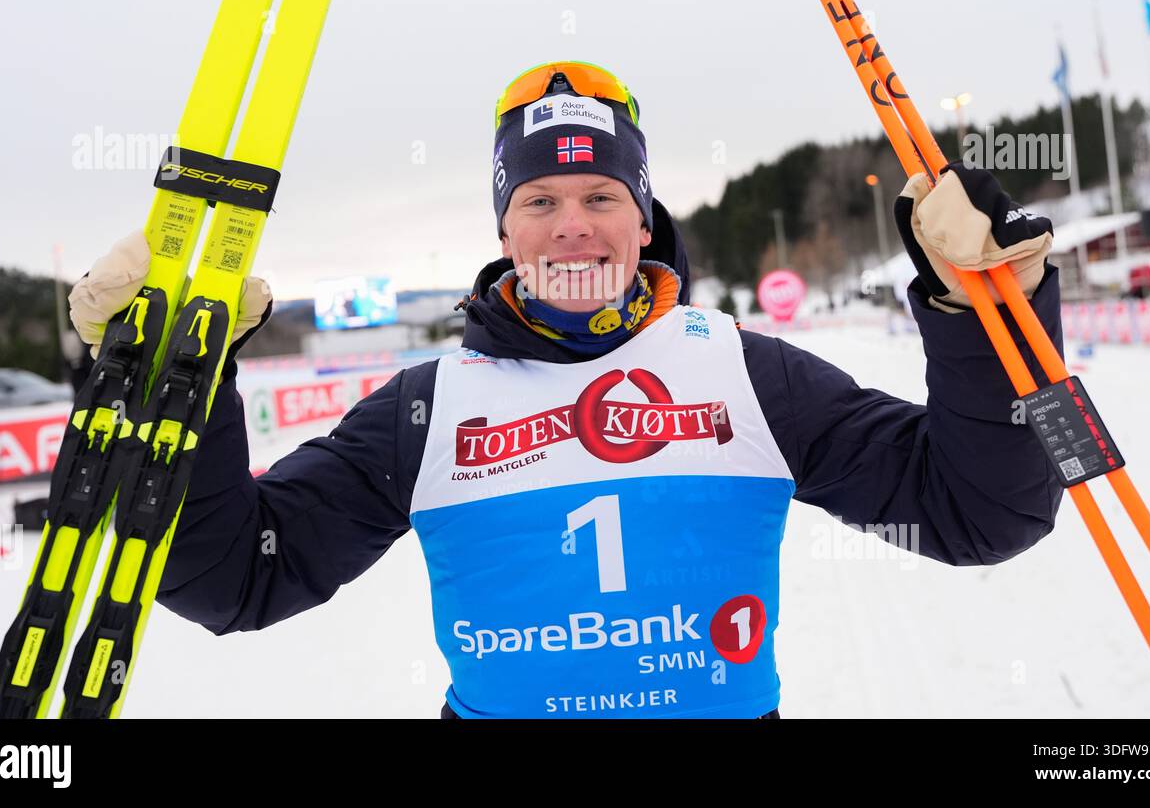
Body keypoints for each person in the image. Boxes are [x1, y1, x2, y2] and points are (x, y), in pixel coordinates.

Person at [68, 61, 1062, 719]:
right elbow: (235, 577)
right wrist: (176, 396)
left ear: (642, 221)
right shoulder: (426, 407)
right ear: (505, 230)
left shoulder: (749, 372)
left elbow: (980, 512)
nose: (570, 224)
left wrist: (991, 312)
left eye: (600, 197)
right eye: (539, 200)